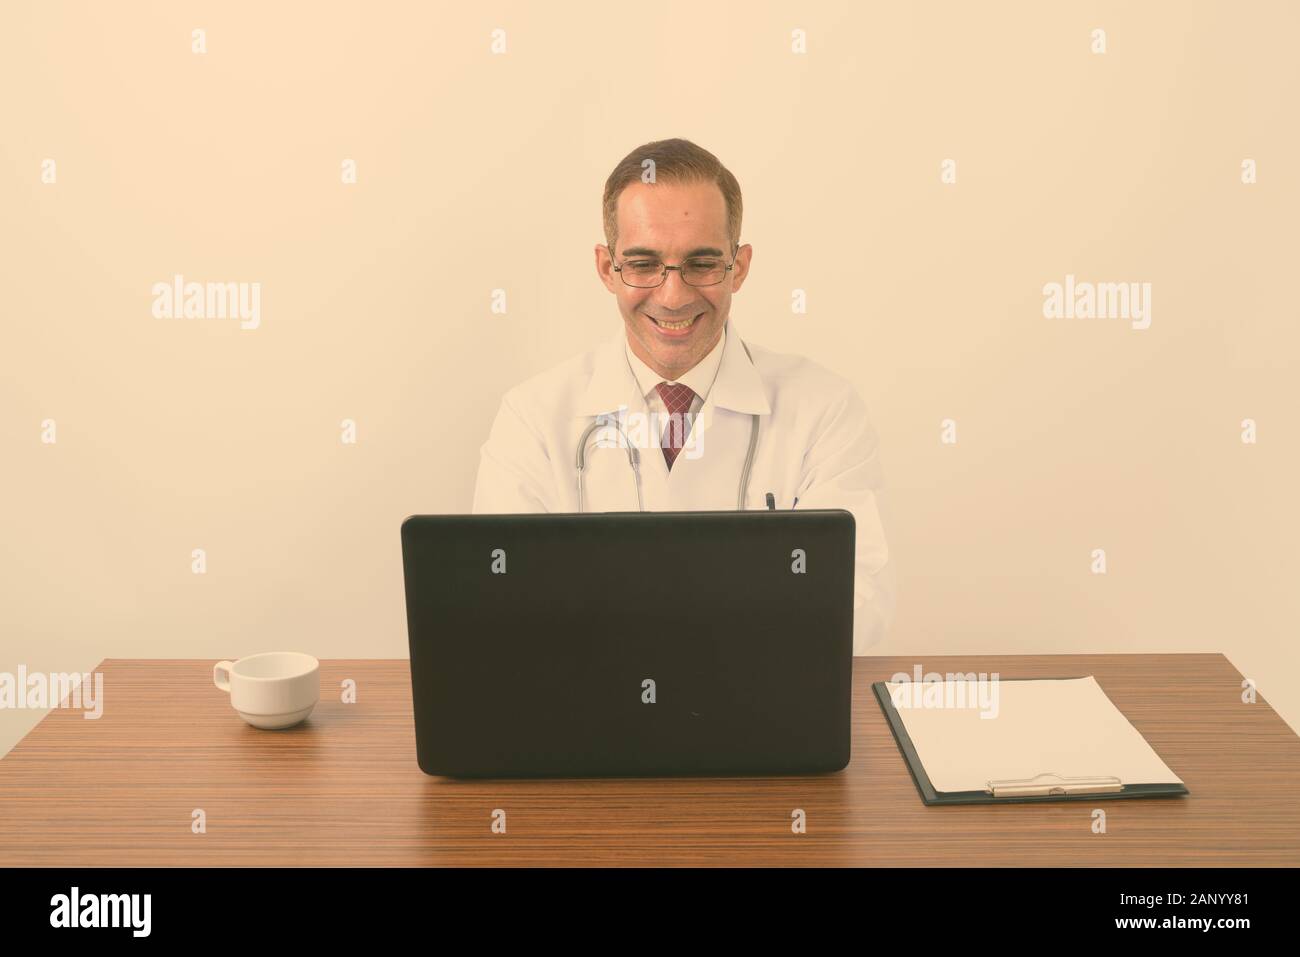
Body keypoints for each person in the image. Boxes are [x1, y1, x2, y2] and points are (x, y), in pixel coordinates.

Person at [471, 138, 895, 652]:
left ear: (738, 267)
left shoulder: (824, 411)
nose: (673, 296)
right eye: (644, 264)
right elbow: (502, 615)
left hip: (761, 717)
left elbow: (857, 610)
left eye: (701, 263)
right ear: (608, 269)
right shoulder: (533, 418)